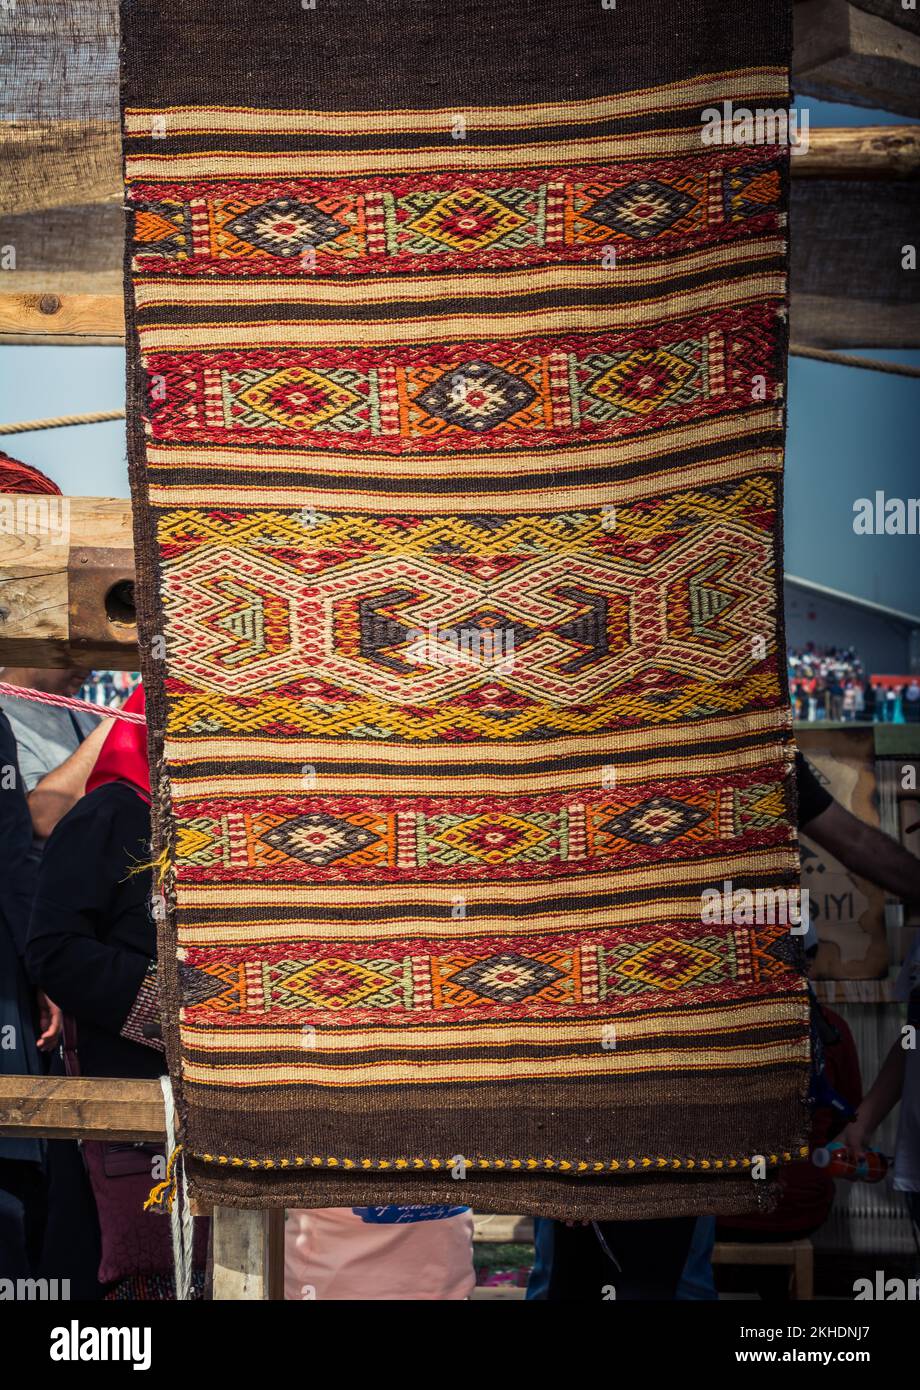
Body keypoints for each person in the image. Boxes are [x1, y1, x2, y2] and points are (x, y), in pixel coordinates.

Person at [25, 686, 205, 1298]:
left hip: (207, 1093)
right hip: (121, 1087)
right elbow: (52, 947)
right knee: (116, 1272)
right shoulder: (108, 815)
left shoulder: (218, 822)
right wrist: (174, 1005)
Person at [0, 667, 107, 846]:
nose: (88, 667)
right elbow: (44, 818)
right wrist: (114, 726)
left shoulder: (84, 713)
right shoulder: (5, 712)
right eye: (74, 653)